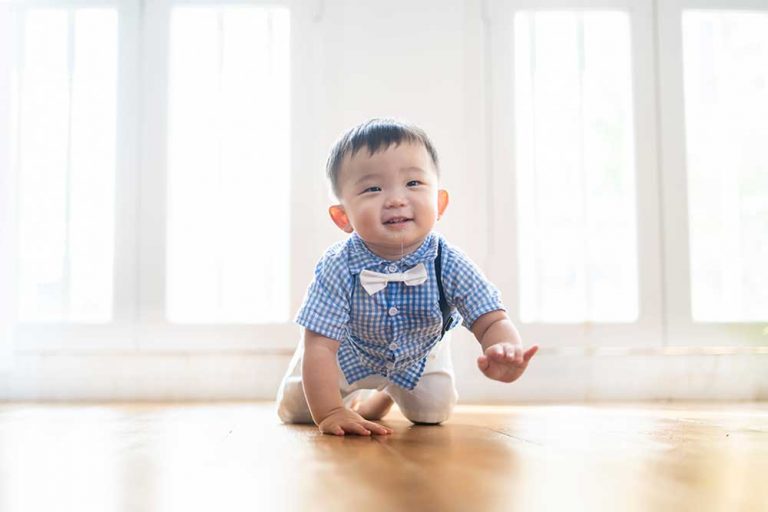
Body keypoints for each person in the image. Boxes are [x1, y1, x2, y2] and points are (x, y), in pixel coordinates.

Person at [276, 118, 538, 436]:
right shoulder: (337, 265)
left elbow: (490, 318)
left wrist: (503, 349)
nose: (396, 199)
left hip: (419, 352)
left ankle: (383, 394)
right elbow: (321, 347)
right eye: (373, 188)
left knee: (432, 413)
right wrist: (330, 412)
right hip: (345, 353)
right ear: (343, 217)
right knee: (297, 411)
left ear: (439, 203)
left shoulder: (449, 261)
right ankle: (346, 395)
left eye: (413, 183)